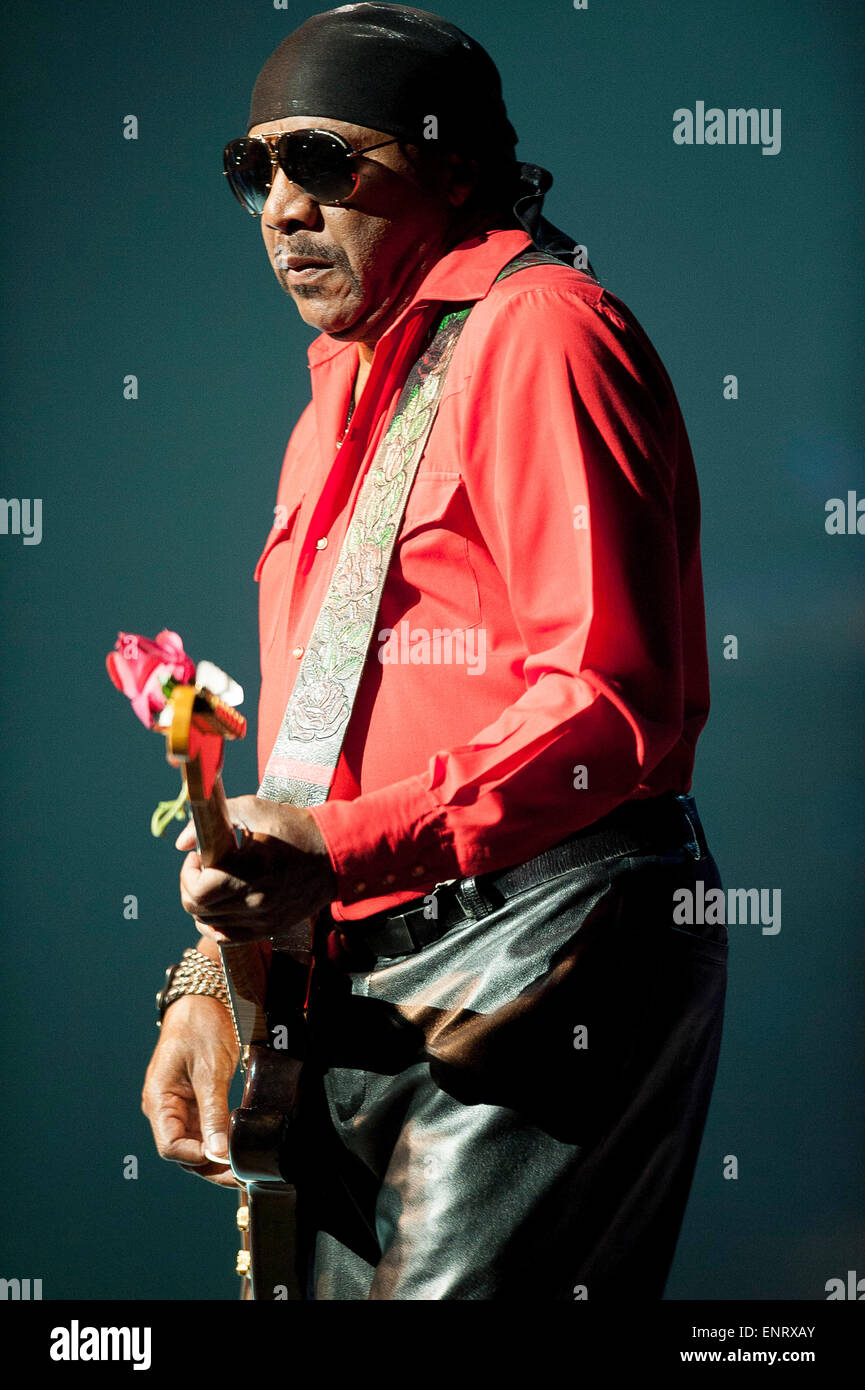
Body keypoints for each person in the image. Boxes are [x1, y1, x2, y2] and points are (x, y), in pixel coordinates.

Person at [142, 3, 728, 1301]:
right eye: (256, 171)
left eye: (323, 162)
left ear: (451, 166)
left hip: (543, 943)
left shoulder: (545, 330)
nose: (282, 206)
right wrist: (218, 980)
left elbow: (613, 703)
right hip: (366, 973)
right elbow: (307, 773)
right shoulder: (332, 405)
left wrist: (347, 851)